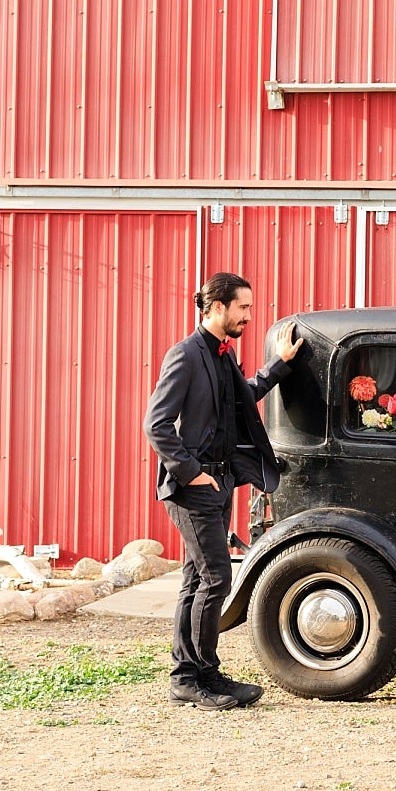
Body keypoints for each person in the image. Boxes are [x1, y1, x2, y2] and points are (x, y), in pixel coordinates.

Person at [145, 271, 304, 711]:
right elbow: (156, 425)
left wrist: (281, 364)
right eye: (243, 308)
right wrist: (192, 471)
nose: (249, 316)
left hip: (220, 481)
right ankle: (198, 677)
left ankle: (191, 674)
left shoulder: (222, 356)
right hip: (193, 486)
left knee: (197, 579)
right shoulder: (186, 355)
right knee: (217, 577)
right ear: (217, 307)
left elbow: (244, 395)